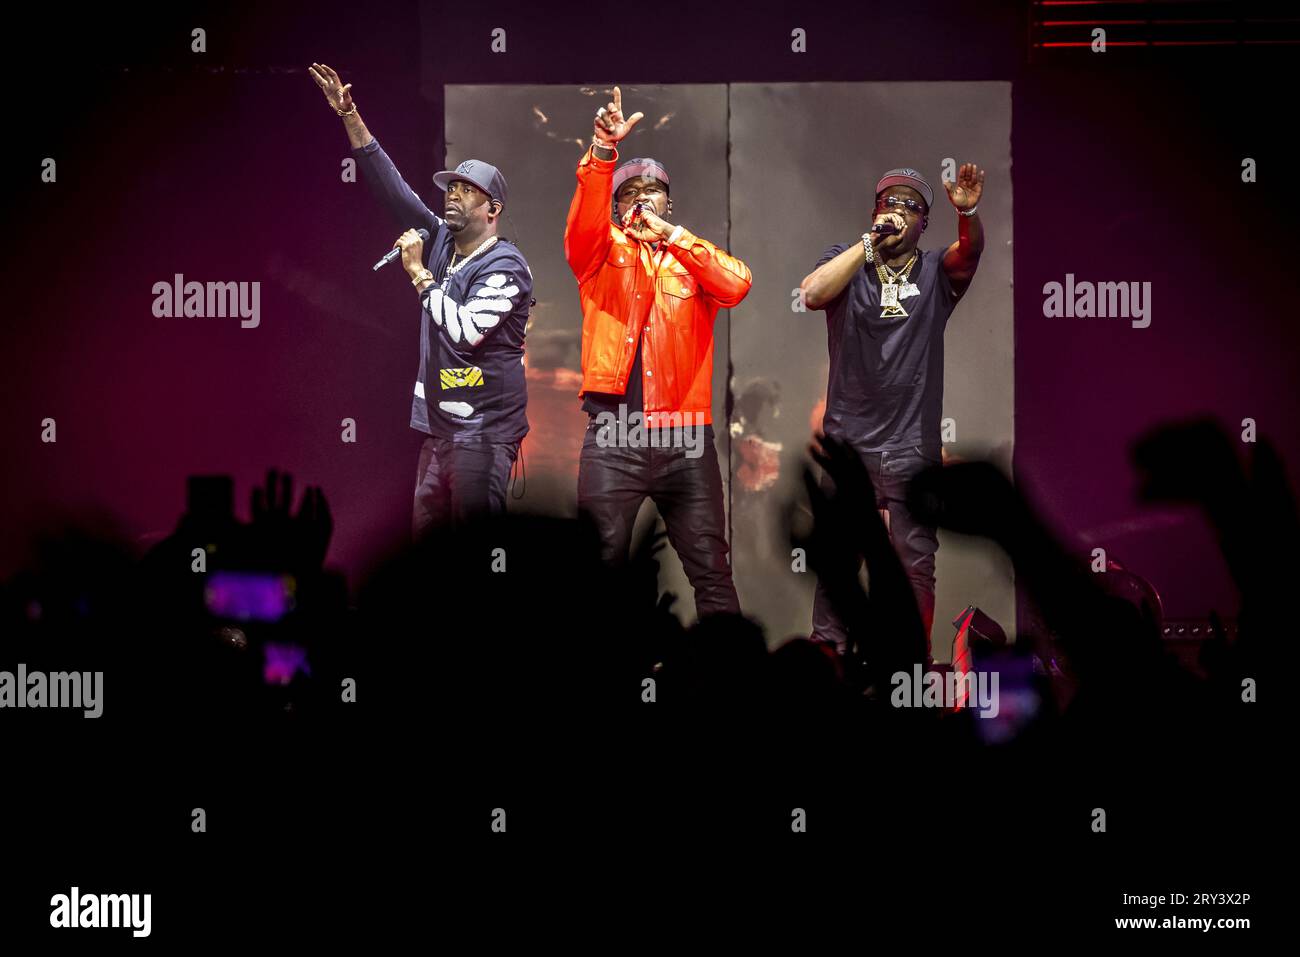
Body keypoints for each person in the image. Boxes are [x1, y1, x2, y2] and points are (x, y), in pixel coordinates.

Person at [309, 62, 532, 536]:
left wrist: (418, 275)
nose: (451, 196)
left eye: (465, 191)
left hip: (485, 434)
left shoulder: (506, 267)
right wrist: (350, 116)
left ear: (492, 210)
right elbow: (391, 187)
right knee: (429, 559)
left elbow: (467, 331)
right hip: (440, 432)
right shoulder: (441, 241)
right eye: (450, 188)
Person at [564, 86, 752, 618]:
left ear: (670, 202)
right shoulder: (598, 253)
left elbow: (737, 284)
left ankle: (733, 686)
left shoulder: (690, 258)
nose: (642, 201)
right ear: (617, 206)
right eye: (630, 194)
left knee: (711, 568)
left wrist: (673, 237)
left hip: (685, 440)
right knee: (597, 570)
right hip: (612, 438)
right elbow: (584, 218)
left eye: (653, 193)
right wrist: (604, 152)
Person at [799, 164, 985, 657]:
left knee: (913, 564)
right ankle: (830, 661)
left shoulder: (935, 272)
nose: (898, 211)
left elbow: (970, 252)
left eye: (912, 206)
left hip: (911, 445)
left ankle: (907, 661)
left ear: (925, 223)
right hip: (848, 445)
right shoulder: (845, 259)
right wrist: (868, 245)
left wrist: (966, 212)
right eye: (890, 202)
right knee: (839, 559)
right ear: (875, 211)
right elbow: (812, 293)